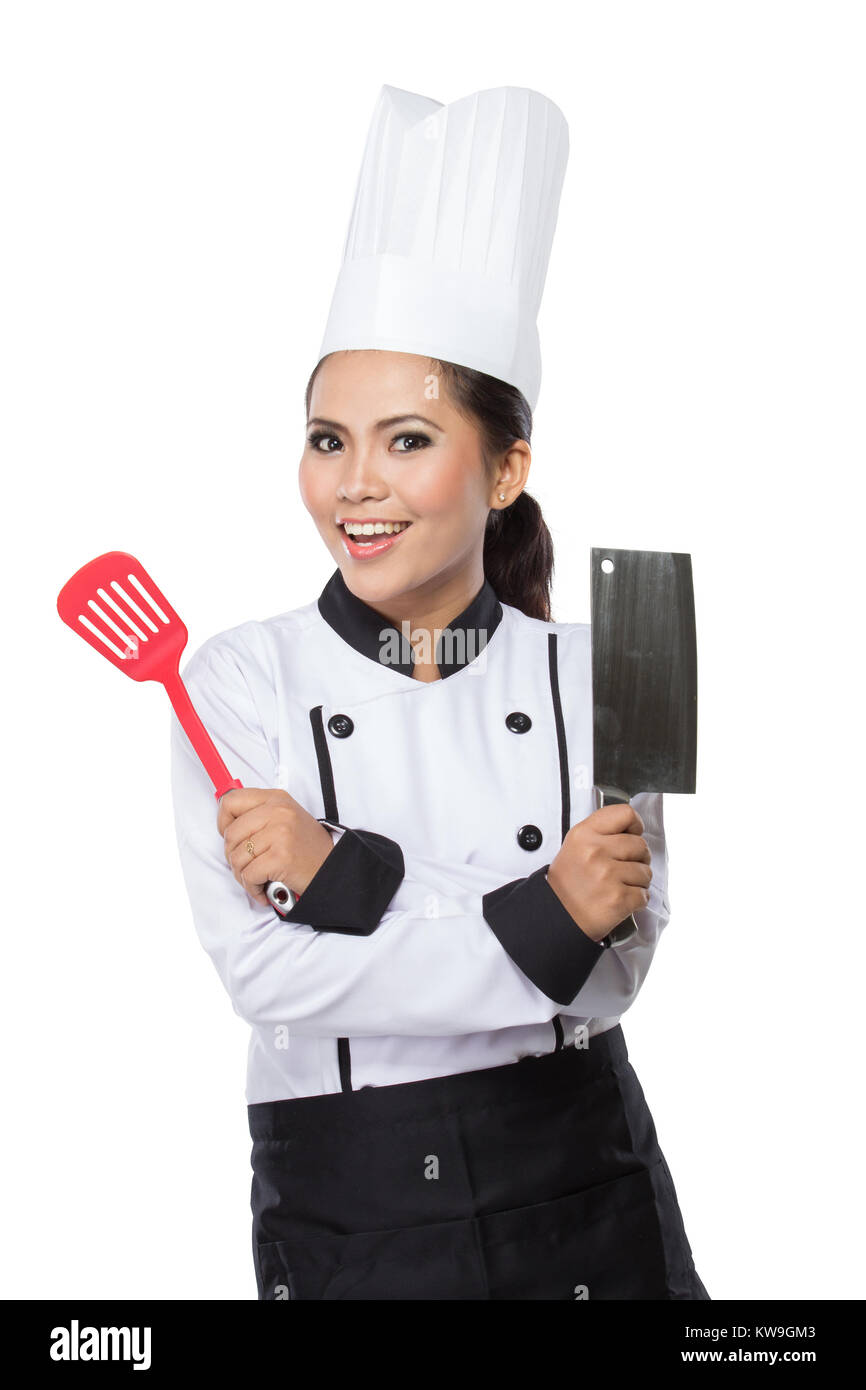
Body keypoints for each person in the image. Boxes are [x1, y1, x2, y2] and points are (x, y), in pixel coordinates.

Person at [170, 84, 710, 1300]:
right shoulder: (232, 677)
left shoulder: (608, 661)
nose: (355, 484)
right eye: (326, 438)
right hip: (348, 1197)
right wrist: (535, 919)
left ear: (506, 465)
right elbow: (268, 981)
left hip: (583, 1180)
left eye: (407, 439)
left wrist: (349, 884)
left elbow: (619, 969)